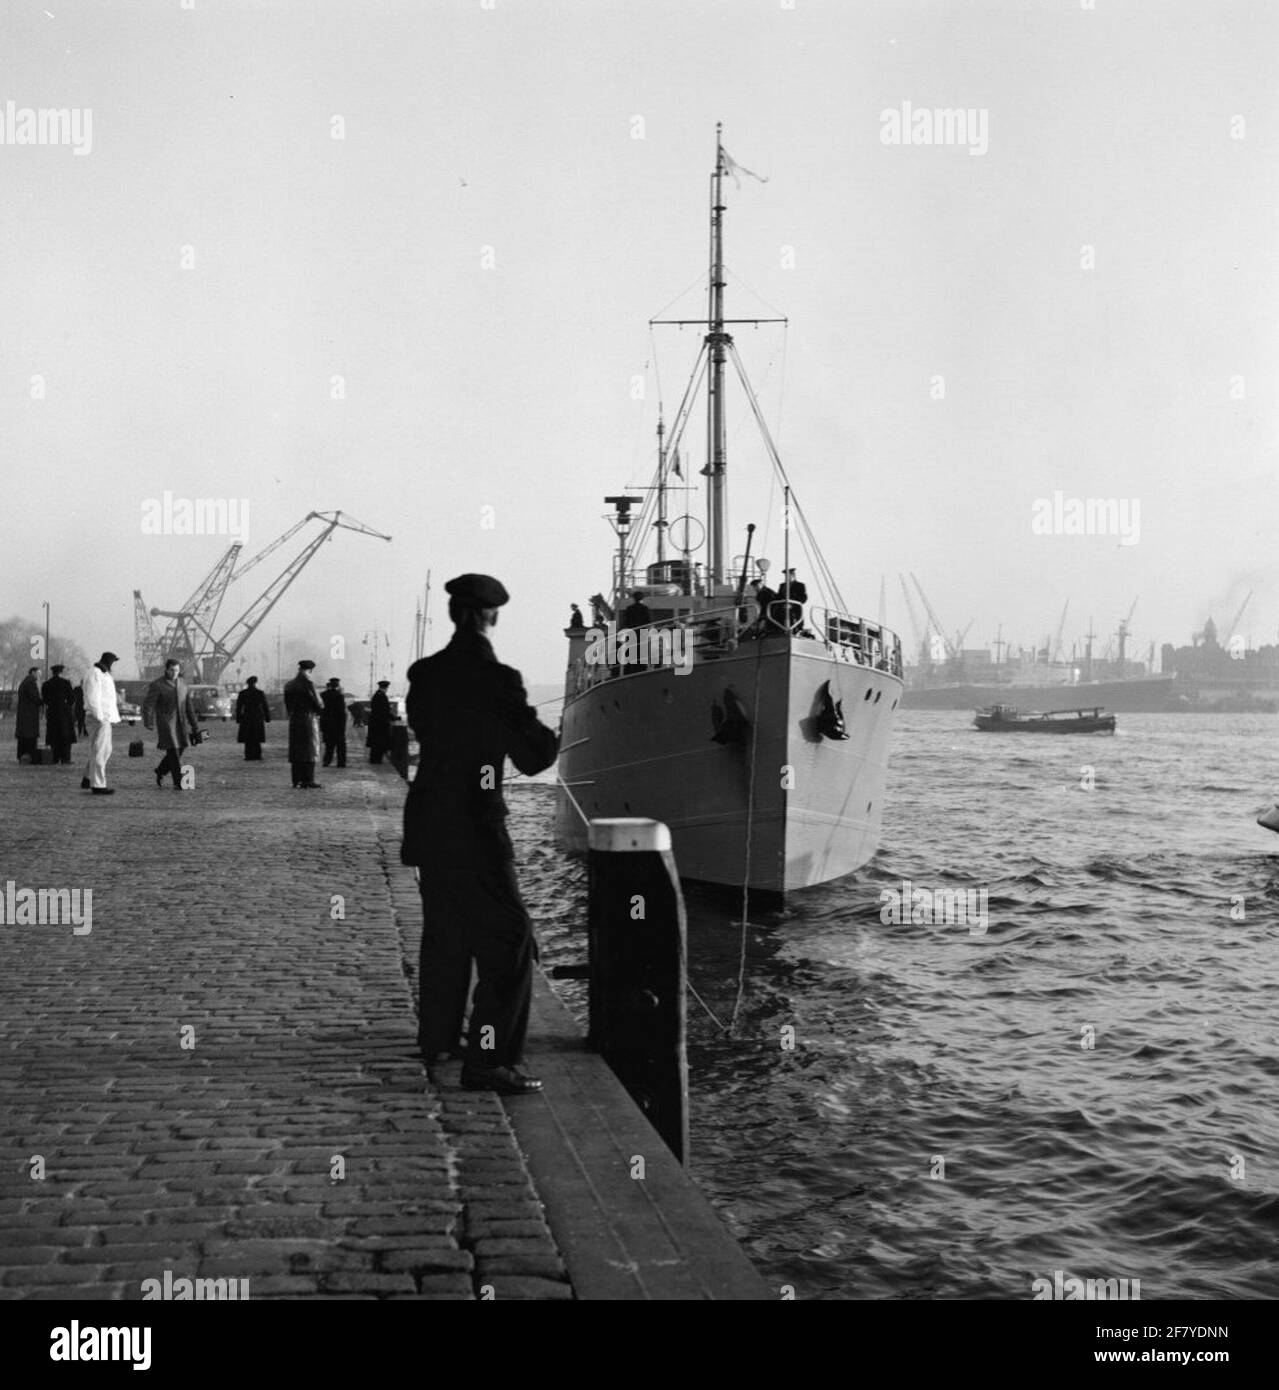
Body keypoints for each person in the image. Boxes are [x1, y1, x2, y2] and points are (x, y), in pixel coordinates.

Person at [403, 573, 558, 1095]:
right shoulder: (501, 679)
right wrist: (531, 722)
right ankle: (488, 1060)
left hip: (430, 820)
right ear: (492, 616)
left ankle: (439, 1038)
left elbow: (431, 731)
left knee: (446, 931)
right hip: (476, 823)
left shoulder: (423, 673)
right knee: (510, 941)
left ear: (453, 615)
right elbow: (536, 757)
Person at [142, 659, 200, 789]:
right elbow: (148, 705)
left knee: (180, 749)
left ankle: (161, 770)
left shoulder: (183, 684)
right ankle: (179, 783)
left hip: (181, 723)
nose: (174, 673)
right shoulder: (157, 685)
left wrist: (195, 726)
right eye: (172, 670)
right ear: (166, 670)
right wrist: (148, 722)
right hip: (166, 724)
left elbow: (189, 707)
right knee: (173, 752)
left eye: (177, 670)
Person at [81, 651, 121, 795]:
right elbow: (93, 697)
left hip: (103, 717)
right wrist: (100, 716)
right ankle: (98, 784)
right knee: (101, 751)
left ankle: (88, 777)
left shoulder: (102, 674)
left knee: (99, 750)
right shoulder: (95, 673)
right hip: (99, 717)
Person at [284, 660, 323, 788]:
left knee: (296, 750)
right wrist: (320, 711)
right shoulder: (309, 684)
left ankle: (296, 780)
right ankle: (308, 779)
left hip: (295, 720)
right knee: (309, 750)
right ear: (310, 670)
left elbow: (288, 705)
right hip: (308, 720)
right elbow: (318, 704)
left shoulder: (289, 685)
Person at [41, 664, 77, 764]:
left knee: (53, 735)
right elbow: (72, 699)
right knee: (65, 736)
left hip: (52, 712)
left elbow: (45, 699)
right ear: (61, 672)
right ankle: (65, 758)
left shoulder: (46, 684)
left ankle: (54, 757)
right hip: (64, 712)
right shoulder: (65, 683)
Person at [234, 676, 270, 761]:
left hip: (246, 717)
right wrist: (267, 717)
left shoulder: (243, 693)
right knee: (257, 738)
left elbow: (239, 707)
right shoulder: (260, 693)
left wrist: (238, 718)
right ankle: (257, 755)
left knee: (248, 738)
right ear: (255, 683)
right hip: (257, 717)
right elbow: (265, 706)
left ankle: (248, 755)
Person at [15, 668, 42, 762]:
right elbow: (35, 697)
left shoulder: (25, 681)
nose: (39, 676)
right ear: (33, 672)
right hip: (29, 715)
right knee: (30, 737)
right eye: (38, 674)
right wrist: (43, 701)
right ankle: (30, 756)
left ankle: (22, 756)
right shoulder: (30, 682)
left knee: (23, 737)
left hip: (24, 714)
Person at [320, 678, 348, 768]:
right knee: (341, 746)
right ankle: (341, 763)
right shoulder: (340, 696)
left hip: (327, 723)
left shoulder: (323, 695)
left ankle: (326, 761)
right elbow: (341, 712)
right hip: (338, 724)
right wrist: (343, 726)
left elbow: (322, 710)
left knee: (329, 745)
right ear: (338, 685)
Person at [366, 680, 392, 764]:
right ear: (386, 688)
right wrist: (394, 717)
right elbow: (385, 711)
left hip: (375, 722)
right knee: (379, 743)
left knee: (376, 743)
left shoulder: (377, 695)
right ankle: (376, 760)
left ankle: (375, 759)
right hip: (380, 723)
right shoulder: (382, 696)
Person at [779, 568, 808, 633]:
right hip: (783, 608)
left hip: (795, 609)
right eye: (786, 575)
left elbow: (803, 597)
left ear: (793, 575)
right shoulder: (782, 586)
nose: (787, 577)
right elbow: (779, 597)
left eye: (788, 575)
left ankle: (797, 630)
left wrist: (792, 603)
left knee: (794, 618)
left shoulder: (800, 585)